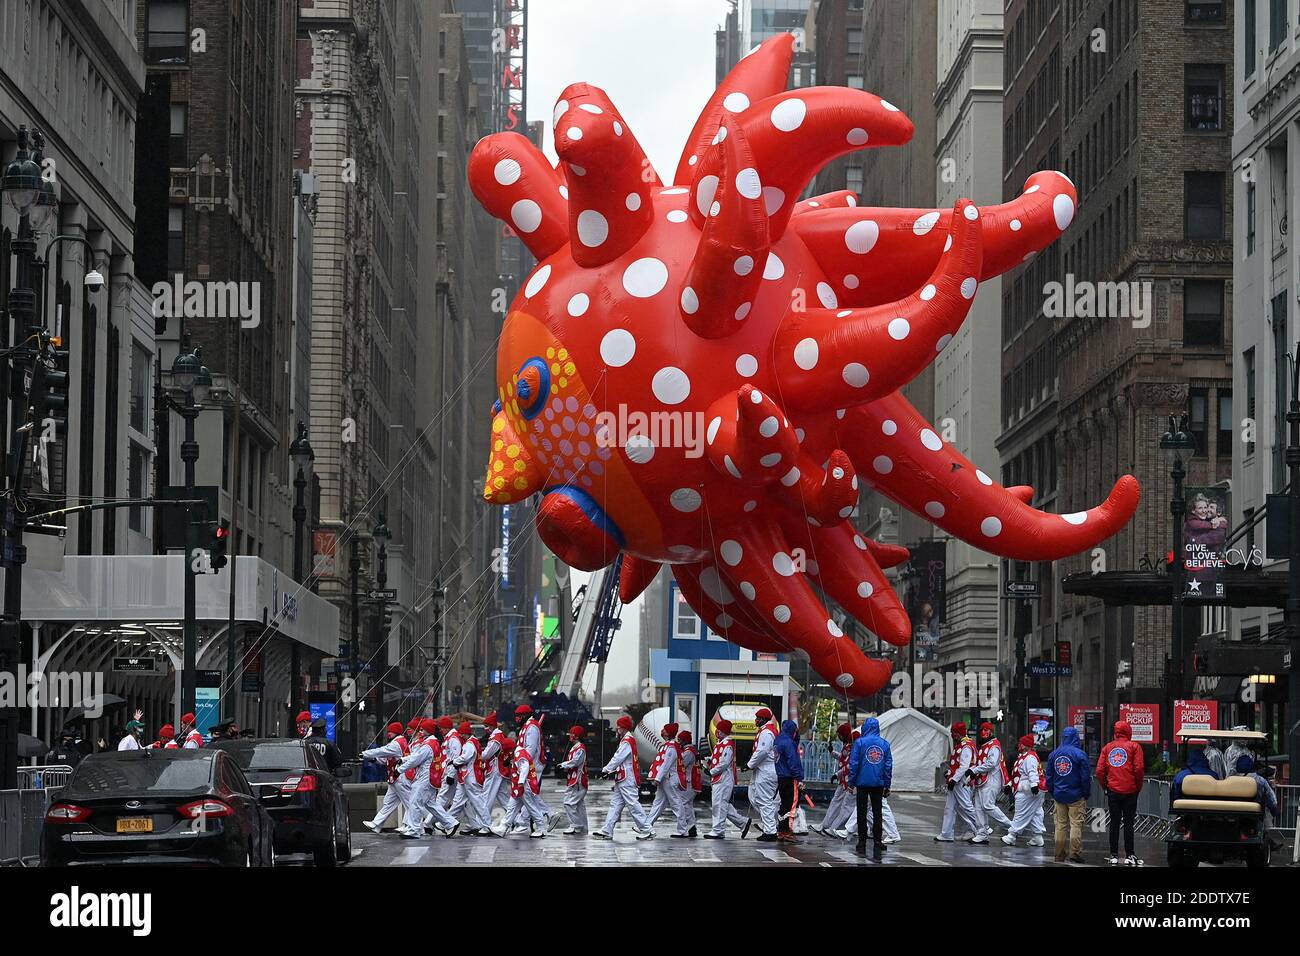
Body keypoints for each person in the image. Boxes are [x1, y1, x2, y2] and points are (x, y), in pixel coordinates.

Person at [593, 715, 655, 840]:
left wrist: (605, 770)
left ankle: (647, 830)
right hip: (623, 778)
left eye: (619, 726)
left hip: (627, 779)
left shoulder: (627, 741)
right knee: (615, 805)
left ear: (623, 728)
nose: (617, 729)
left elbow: (618, 757)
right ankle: (607, 830)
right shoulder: (627, 740)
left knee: (633, 805)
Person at [1095, 719, 1145, 865]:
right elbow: (1139, 769)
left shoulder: (1107, 748)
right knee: (1129, 823)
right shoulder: (1134, 746)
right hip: (1130, 790)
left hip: (1113, 790)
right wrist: (1137, 786)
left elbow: (1099, 770)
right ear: (1128, 731)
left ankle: (1113, 854)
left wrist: (1106, 786)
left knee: (1115, 822)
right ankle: (1130, 854)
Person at [848, 716, 892, 861]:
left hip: (862, 782)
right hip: (878, 783)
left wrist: (851, 782)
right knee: (877, 812)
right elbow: (888, 766)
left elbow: (854, 764)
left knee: (861, 812)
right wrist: (887, 784)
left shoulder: (859, 742)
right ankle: (878, 840)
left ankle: (862, 841)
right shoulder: (884, 744)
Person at [1046, 725, 1090, 863]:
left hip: (1059, 795)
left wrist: (1053, 791)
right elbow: (1085, 777)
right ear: (1076, 738)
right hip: (1076, 794)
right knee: (1076, 824)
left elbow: (1049, 776)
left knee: (1060, 825)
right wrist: (1085, 793)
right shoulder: (1080, 754)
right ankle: (1075, 853)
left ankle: (1059, 854)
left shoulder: (1054, 754)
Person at [361, 722, 413, 833]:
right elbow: (386, 759)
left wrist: (366, 754)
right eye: (388, 731)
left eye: (391, 732)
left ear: (396, 732)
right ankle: (376, 824)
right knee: (389, 803)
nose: (388, 734)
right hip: (395, 778)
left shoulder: (396, 743)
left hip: (400, 777)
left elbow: (382, 751)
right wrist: (374, 759)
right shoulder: (399, 742)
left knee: (410, 803)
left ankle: (411, 826)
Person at [704, 719, 751, 839]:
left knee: (719, 805)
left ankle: (718, 830)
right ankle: (743, 823)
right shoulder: (721, 744)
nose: (717, 732)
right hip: (719, 779)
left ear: (724, 731)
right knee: (723, 805)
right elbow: (718, 759)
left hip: (723, 779)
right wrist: (708, 760)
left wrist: (711, 772)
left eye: (719, 730)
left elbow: (724, 763)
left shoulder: (728, 745)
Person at [967, 722, 1012, 842]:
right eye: (982, 730)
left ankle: (1012, 827)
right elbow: (981, 763)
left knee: (987, 806)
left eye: (986, 730)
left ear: (991, 731)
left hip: (991, 780)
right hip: (982, 781)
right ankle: (982, 834)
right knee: (978, 807)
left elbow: (992, 763)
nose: (983, 732)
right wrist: (972, 772)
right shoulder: (985, 745)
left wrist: (974, 770)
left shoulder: (994, 745)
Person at [936, 722, 979, 842]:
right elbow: (956, 765)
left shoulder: (966, 746)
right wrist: (950, 775)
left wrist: (954, 780)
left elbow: (964, 766)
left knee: (967, 806)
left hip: (961, 782)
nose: (951, 735)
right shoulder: (961, 744)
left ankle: (982, 829)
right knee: (949, 808)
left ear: (957, 733)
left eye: (953, 733)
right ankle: (946, 834)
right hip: (956, 781)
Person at [1002, 734, 1046, 847]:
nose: (1019, 745)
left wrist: (1034, 785)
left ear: (1026, 745)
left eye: (1021, 743)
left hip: (1027, 791)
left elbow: (1032, 772)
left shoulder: (1029, 757)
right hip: (1029, 789)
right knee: (1035, 813)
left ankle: (1012, 835)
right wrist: (1010, 785)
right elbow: (1019, 775)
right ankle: (1037, 837)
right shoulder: (1024, 756)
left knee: (1021, 813)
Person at [647, 722, 690, 837]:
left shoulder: (671, 747)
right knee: (658, 804)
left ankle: (683, 830)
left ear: (669, 732)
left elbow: (666, 764)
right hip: (666, 779)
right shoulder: (669, 745)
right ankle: (647, 826)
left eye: (664, 730)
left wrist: (657, 778)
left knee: (676, 804)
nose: (662, 731)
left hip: (669, 779)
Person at [746, 707, 781, 842]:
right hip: (761, 770)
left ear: (763, 719)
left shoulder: (766, 733)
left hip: (766, 770)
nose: (756, 720)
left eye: (758, 718)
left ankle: (770, 830)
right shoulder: (767, 731)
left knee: (764, 801)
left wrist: (749, 765)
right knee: (754, 797)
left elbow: (762, 751)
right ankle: (770, 824)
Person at [449, 721, 491, 834]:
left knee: (478, 802)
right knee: (458, 802)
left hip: (471, 777)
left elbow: (465, 757)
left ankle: (487, 826)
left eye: (462, 733)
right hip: (469, 776)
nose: (461, 735)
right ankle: (446, 822)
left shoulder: (469, 744)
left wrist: (454, 761)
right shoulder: (474, 741)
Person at [514, 704, 552, 823]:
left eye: (519, 716)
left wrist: (521, 763)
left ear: (525, 715)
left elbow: (530, 749)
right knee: (526, 794)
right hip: (527, 765)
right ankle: (522, 822)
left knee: (529, 793)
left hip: (532, 766)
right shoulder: (527, 726)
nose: (517, 719)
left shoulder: (532, 728)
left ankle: (549, 813)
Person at [505, 733, 548, 838]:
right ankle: (503, 826)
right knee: (511, 807)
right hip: (521, 786)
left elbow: (524, 768)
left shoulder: (519, 755)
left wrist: (520, 782)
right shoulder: (519, 752)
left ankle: (541, 828)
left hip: (524, 785)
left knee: (531, 807)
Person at [817, 723, 855, 837]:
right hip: (844, 781)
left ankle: (833, 828)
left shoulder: (851, 746)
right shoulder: (847, 745)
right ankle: (826, 825)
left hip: (848, 782)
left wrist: (838, 774)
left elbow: (849, 765)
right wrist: (832, 753)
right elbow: (844, 760)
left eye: (839, 734)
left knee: (847, 807)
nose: (838, 737)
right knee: (838, 804)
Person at [475, 712, 511, 830]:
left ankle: (484, 825)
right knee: (504, 799)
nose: (485, 729)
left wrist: (477, 753)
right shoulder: (498, 736)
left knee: (487, 797)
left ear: (491, 726)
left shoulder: (495, 739)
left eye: (486, 726)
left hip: (495, 769)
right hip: (500, 770)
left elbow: (486, 755)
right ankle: (519, 820)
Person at [554, 725, 589, 834]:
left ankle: (576, 825)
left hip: (578, 781)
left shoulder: (580, 749)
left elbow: (575, 762)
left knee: (568, 803)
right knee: (579, 805)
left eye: (572, 734)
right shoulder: (575, 748)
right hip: (574, 780)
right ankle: (583, 827)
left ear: (577, 736)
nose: (570, 735)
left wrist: (562, 765)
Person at [774, 719, 804, 842]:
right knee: (791, 806)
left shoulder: (778, 740)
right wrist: (799, 778)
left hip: (781, 777)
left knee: (784, 805)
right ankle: (787, 831)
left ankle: (781, 829)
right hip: (790, 777)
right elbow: (793, 761)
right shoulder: (789, 743)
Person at [1233, 754, 1279, 822]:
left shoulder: (1232, 780)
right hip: (1256, 814)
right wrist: (1274, 813)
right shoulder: (1260, 780)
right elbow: (1272, 800)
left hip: (1235, 814)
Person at [677, 729, 701, 837]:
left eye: (680, 740)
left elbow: (681, 766)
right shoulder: (692, 750)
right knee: (688, 805)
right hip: (692, 781)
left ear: (685, 741)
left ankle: (689, 827)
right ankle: (691, 827)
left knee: (683, 804)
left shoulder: (688, 752)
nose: (679, 742)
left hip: (689, 781)